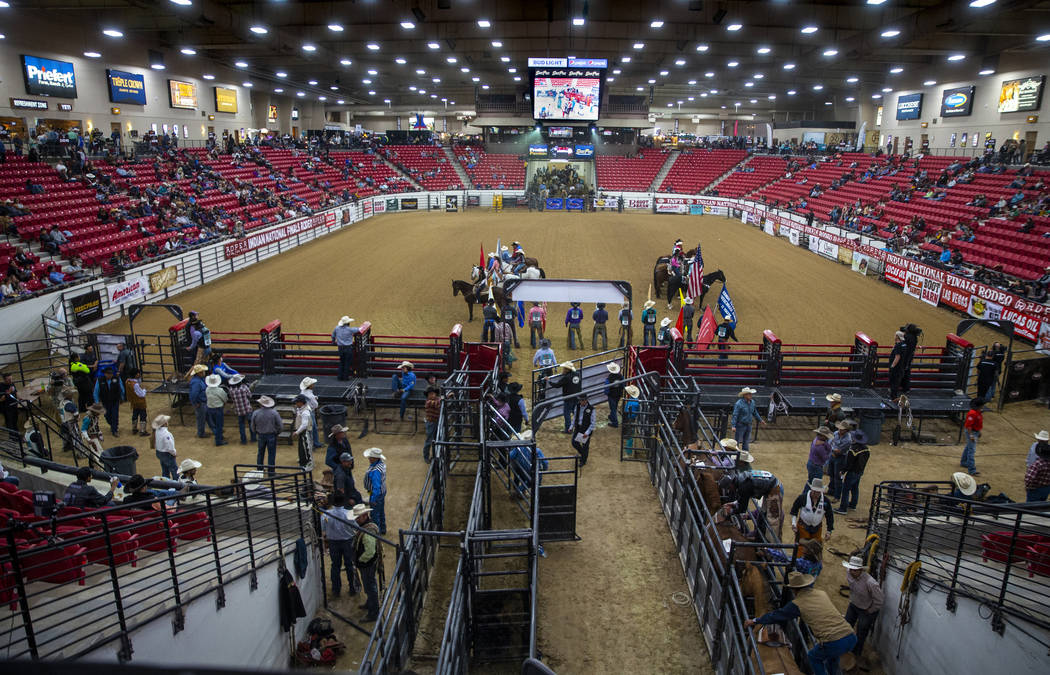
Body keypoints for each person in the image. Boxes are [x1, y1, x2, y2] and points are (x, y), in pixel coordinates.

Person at [745, 571, 857, 675]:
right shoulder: (821, 593)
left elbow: (777, 615)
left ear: (794, 589)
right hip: (850, 636)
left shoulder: (797, 603)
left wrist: (756, 620)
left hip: (834, 641)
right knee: (832, 658)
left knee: (813, 657)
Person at [842, 555, 884, 665]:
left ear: (861, 570)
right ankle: (844, 648)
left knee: (861, 632)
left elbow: (879, 600)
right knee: (846, 625)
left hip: (866, 609)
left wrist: (870, 610)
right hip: (854, 604)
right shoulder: (849, 573)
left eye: (855, 570)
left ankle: (856, 654)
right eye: (851, 569)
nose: (852, 572)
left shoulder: (871, 583)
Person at [322, 492, 360, 598]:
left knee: (335, 565)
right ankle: (352, 588)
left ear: (333, 502)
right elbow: (356, 527)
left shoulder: (326, 515)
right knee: (349, 565)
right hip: (347, 541)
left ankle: (336, 590)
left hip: (333, 542)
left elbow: (323, 529)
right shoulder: (349, 514)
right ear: (344, 501)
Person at [352, 502, 382, 621]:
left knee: (370, 586)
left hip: (367, 564)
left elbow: (370, 552)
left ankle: (373, 612)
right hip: (367, 563)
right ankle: (370, 603)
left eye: (358, 517)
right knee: (369, 585)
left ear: (364, 515)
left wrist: (360, 560)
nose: (357, 520)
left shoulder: (368, 531)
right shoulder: (367, 527)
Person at [790, 477, 835, 543]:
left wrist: (829, 531)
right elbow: (794, 511)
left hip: (817, 529)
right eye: (814, 492)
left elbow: (830, 516)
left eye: (818, 492)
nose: (816, 494)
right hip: (803, 527)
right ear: (811, 490)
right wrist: (793, 524)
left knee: (815, 548)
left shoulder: (826, 501)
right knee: (801, 548)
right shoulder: (802, 498)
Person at [836, 439, 870, 514]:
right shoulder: (866, 449)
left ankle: (843, 508)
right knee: (855, 488)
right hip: (860, 471)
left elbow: (849, 463)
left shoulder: (853, 450)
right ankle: (853, 504)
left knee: (846, 489)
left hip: (852, 472)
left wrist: (843, 471)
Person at [548, 361, 582, 433]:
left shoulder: (566, 378)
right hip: (577, 397)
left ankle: (568, 429)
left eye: (564, 369)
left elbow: (557, 385)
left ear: (567, 369)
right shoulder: (577, 374)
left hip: (568, 398)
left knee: (567, 414)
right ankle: (579, 427)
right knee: (576, 413)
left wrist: (549, 381)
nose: (563, 370)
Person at [251, 395, 282, 471]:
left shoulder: (256, 413)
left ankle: (259, 470)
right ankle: (271, 471)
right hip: (271, 435)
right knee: (271, 454)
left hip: (261, 435)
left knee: (260, 453)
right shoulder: (274, 413)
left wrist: (256, 432)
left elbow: (252, 425)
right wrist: (277, 433)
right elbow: (280, 425)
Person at [93, 366, 124, 436]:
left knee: (115, 415)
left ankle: (114, 429)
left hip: (114, 400)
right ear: (105, 374)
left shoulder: (117, 378)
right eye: (108, 374)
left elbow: (121, 388)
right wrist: (97, 402)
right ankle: (113, 425)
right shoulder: (100, 380)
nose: (109, 375)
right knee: (107, 415)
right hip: (105, 401)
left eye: (111, 374)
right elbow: (96, 391)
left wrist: (122, 397)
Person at [731, 387, 764, 452]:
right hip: (740, 425)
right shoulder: (739, 404)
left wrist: (760, 420)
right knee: (737, 441)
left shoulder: (752, 402)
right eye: (749, 394)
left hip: (749, 424)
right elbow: (735, 415)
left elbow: (754, 412)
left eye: (750, 394)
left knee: (746, 441)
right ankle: (734, 456)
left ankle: (745, 456)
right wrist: (733, 425)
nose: (751, 395)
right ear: (745, 395)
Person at [363, 448, 387, 534]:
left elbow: (376, 487)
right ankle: (383, 529)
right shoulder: (381, 465)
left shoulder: (375, 470)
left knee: (374, 515)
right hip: (382, 492)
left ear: (375, 458)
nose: (369, 458)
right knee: (381, 512)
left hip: (376, 494)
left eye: (370, 457)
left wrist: (372, 499)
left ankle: (378, 534)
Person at [570, 393, 596, 466]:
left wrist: (587, 432)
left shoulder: (591, 409)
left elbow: (593, 423)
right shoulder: (577, 406)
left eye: (582, 400)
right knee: (574, 442)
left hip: (586, 429)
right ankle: (583, 454)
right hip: (578, 427)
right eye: (580, 400)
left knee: (585, 445)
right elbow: (575, 417)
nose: (581, 402)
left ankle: (583, 460)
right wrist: (571, 427)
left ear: (586, 400)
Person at [228, 374, 254, 445]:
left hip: (239, 410)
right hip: (247, 408)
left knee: (241, 425)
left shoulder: (231, 390)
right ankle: (253, 438)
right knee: (250, 424)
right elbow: (250, 396)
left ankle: (243, 440)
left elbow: (232, 399)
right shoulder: (244, 387)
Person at [961, 397, 983, 476]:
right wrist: (971, 435)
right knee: (971, 451)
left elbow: (978, 423)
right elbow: (969, 426)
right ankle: (972, 470)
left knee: (968, 447)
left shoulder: (978, 412)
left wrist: (979, 431)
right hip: (972, 432)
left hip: (975, 431)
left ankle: (963, 462)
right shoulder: (972, 413)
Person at [204, 374, 228, 446]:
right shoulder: (219, 390)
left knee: (214, 424)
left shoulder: (207, 389)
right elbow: (225, 398)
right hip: (218, 409)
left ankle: (219, 436)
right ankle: (218, 440)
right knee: (219, 425)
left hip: (210, 408)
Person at [124, 367, 148, 436]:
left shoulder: (127, 381)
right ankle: (142, 431)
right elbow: (141, 394)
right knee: (143, 416)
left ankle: (134, 428)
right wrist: (144, 390)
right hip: (140, 402)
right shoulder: (135, 385)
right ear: (135, 375)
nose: (139, 374)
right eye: (138, 373)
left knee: (135, 415)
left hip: (133, 402)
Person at [331, 315, 357, 380]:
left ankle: (340, 376)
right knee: (347, 363)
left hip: (340, 348)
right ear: (348, 323)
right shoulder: (351, 329)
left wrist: (333, 342)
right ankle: (346, 377)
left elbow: (333, 335)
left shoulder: (336, 328)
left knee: (341, 362)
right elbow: (359, 329)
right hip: (348, 348)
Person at [153, 414, 178, 480]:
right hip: (167, 454)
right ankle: (177, 484)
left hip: (159, 452)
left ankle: (165, 482)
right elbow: (170, 447)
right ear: (164, 423)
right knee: (174, 470)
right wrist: (174, 453)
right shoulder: (166, 434)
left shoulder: (157, 431)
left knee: (165, 469)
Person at [293, 394, 313, 470]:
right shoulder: (301, 409)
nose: (296, 404)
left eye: (297, 402)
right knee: (302, 448)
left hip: (305, 432)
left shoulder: (305, 412)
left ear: (301, 402)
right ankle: (303, 462)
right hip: (303, 432)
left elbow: (304, 425)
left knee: (306, 449)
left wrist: (297, 432)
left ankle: (308, 465)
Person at [188, 364, 209, 438]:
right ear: (199, 373)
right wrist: (195, 403)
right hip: (200, 403)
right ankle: (201, 433)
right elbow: (194, 394)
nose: (204, 373)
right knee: (201, 418)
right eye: (202, 371)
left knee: (203, 417)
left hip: (203, 402)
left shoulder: (199, 380)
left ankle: (202, 432)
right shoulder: (196, 382)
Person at [887, 330, 907, 401]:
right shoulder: (904, 344)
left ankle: (893, 397)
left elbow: (897, 357)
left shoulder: (898, 346)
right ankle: (894, 396)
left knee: (893, 382)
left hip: (896, 367)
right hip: (900, 367)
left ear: (897, 337)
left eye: (895, 335)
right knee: (896, 382)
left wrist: (892, 366)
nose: (894, 336)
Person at [58, 386, 79, 454]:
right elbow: (76, 414)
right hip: (71, 422)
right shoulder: (69, 404)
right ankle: (80, 451)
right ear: (69, 395)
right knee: (76, 436)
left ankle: (66, 446)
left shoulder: (61, 402)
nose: (72, 395)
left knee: (66, 435)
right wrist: (76, 419)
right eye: (71, 394)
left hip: (63, 422)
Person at [423, 388, 441, 462]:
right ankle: (426, 457)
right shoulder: (428, 402)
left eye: (433, 394)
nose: (432, 395)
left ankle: (435, 455)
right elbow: (437, 404)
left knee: (436, 439)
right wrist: (446, 397)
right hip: (431, 422)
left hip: (436, 422)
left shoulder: (437, 399)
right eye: (430, 394)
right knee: (429, 440)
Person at [605, 362, 624, 428]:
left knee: (613, 408)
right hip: (618, 395)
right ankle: (611, 416)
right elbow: (623, 385)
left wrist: (607, 393)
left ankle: (615, 423)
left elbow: (606, 387)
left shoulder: (609, 378)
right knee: (614, 406)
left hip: (611, 395)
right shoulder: (621, 376)